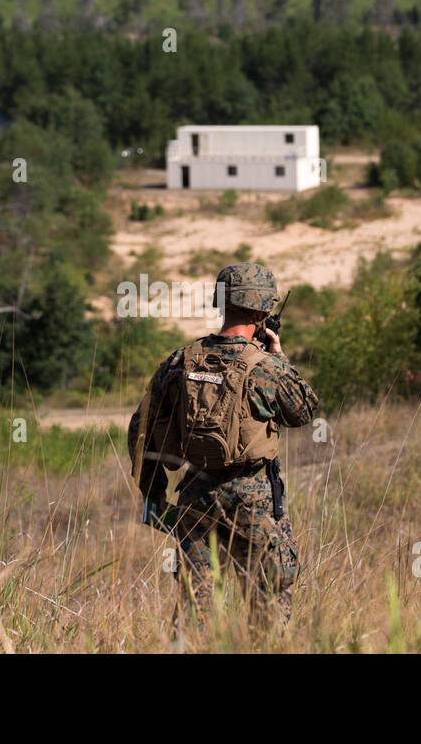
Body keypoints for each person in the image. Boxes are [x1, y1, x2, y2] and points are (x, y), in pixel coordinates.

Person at [129, 263, 319, 629]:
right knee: (267, 600)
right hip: (254, 499)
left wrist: (153, 497)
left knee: (194, 605)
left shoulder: (180, 361)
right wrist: (277, 354)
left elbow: (142, 426)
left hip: (195, 495)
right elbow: (304, 410)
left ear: (221, 303)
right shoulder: (266, 365)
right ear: (264, 311)